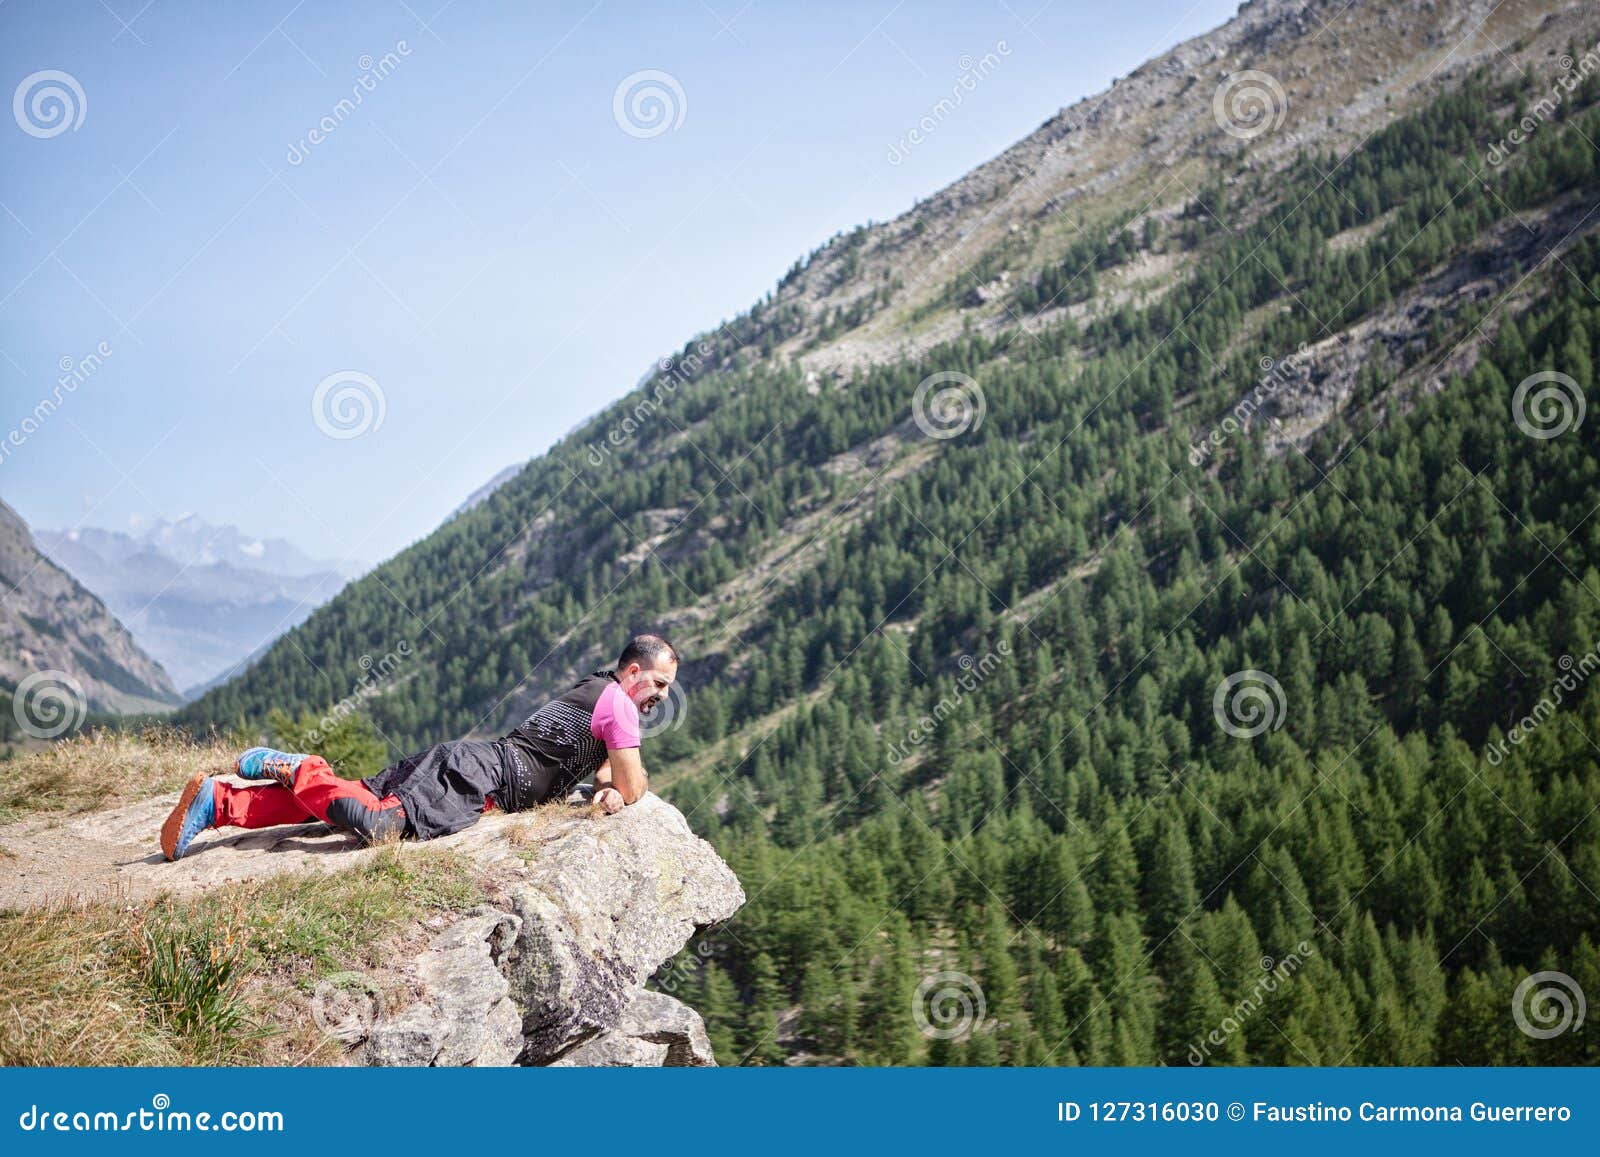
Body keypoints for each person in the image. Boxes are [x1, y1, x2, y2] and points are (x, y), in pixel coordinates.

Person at [160, 634, 679, 861]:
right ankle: (298, 767)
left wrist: (603, 790)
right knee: (379, 826)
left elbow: (613, 775)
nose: (660, 696)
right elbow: (634, 782)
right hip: (479, 776)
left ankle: (219, 802)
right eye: (657, 684)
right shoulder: (619, 704)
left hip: (471, 764)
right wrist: (622, 788)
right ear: (633, 671)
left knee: (344, 807)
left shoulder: (605, 695)